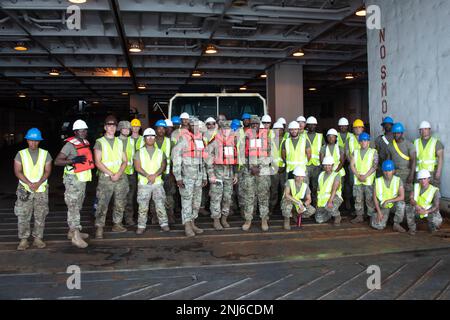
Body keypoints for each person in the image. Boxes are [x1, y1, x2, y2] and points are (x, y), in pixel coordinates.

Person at [54, 120, 94, 248]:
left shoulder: (85, 143)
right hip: (72, 180)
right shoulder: (69, 145)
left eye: (85, 130)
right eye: (81, 130)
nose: (84, 132)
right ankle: (75, 236)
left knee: (78, 206)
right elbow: (57, 161)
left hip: (81, 180)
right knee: (73, 207)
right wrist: (72, 160)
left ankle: (72, 232)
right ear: (75, 132)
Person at [14, 128, 52, 251]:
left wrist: (38, 182)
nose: (33, 143)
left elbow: (47, 171)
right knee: (23, 214)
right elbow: (17, 171)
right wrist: (29, 183)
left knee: (40, 214)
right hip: (25, 188)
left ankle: (37, 238)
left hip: (40, 188)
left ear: (39, 141)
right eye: (31, 140)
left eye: (36, 141)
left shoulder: (45, 154)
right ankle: (24, 239)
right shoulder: (21, 154)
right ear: (27, 140)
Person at [93, 115, 129, 239]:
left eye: (114, 125)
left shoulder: (120, 142)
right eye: (109, 125)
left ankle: (117, 224)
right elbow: (97, 162)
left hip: (120, 177)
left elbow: (125, 160)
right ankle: (99, 227)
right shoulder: (100, 142)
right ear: (105, 127)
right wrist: (111, 174)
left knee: (120, 202)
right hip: (106, 178)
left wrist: (118, 174)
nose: (111, 127)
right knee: (102, 203)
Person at [172, 117, 208, 237]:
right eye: (193, 125)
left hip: (198, 177)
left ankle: (193, 223)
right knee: (187, 202)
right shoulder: (183, 139)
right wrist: (178, 177)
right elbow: (176, 158)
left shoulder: (200, 139)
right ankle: (187, 225)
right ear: (189, 126)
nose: (195, 127)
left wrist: (204, 176)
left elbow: (202, 160)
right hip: (186, 177)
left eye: (197, 125)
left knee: (196, 202)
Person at [241, 116, 273, 232]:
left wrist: (260, 166)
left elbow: (270, 155)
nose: (254, 125)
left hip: (262, 171)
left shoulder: (266, 138)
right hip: (249, 172)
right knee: (249, 196)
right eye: (252, 123)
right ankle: (248, 220)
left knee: (263, 196)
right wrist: (251, 167)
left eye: (256, 123)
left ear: (259, 125)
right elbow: (242, 154)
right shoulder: (246, 137)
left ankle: (264, 219)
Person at [134, 128, 169, 234]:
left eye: (152, 136)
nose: (150, 138)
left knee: (160, 205)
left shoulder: (160, 152)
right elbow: (137, 167)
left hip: (157, 183)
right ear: (144, 139)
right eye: (147, 136)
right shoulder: (139, 152)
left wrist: (155, 175)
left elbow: (163, 166)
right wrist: (148, 176)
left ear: (155, 138)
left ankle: (164, 224)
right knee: (143, 207)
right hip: (144, 183)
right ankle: (141, 225)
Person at [205, 120, 238, 230]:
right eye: (224, 129)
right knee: (216, 197)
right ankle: (216, 220)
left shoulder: (233, 141)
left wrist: (236, 174)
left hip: (229, 174)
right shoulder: (214, 142)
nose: (226, 131)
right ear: (220, 130)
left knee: (228, 198)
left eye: (228, 129)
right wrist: (211, 175)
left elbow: (235, 159)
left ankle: (224, 218)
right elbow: (208, 159)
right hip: (217, 174)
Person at [387, 122, 416, 230]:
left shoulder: (409, 144)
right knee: (396, 197)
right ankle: (397, 220)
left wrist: (411, 174)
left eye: (398, 133)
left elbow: (413, 161)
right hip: (395, 175)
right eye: (394, 133)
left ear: (402, 133)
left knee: (408, 198)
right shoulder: (390, 145)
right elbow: (389, 161)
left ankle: (410, 222)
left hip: (407, 173)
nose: (396, 135)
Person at [350, 132, 377, 224]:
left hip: (368, 180)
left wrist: (365, 176)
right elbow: (352, 165)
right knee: (358, 199)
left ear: (368, 141)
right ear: (359, 142)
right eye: (361, 141)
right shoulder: (355, 151)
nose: (363, 142)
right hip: (358, 180)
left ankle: (371, 216)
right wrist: (358, 176)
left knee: (369, 200)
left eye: (365, 140)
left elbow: (375, 166)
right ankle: (359, 216)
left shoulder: (373, 152)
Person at [372, 160, 405, 231]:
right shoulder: (377, 181)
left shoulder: (398, 180)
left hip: (393, 204)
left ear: (393, 171)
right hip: (383, 206)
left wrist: (388, 201)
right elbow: (374, 198)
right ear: (382, 171)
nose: (387, 173)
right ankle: (386, 217)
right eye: (385, 171)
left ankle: (396, 224)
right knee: (379, 226)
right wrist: (379, 212)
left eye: (389, 171)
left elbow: (402, 196)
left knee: (401, 204)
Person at [407, 169, 443, 235]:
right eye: (421, 179)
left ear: (428, 179)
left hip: (428, 210)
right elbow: (411, 198)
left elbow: (436, 206)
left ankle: (433, 227)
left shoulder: (435, 190)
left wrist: (426, 211)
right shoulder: (415, 187)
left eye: (424, 179)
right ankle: (412, 228)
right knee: (408, 208)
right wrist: (416, 205)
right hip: (417, 209)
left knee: (437, 221)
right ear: (418, 180)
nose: (423, 181)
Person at [154, 120, 175, 224]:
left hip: (167, 174)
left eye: (163, 128)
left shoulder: (170, 142)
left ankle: (170, 216)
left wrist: (172, 173)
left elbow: (174, 159)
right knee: (155, 196)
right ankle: (155, 217)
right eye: (159, 128)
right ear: (155, 129)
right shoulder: (150, 141)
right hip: (154, 174)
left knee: (169, 196)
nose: (161, 130)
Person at [118, 120, 137, 226]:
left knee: (130, 198)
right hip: (120, 173)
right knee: (119, 197)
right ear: (120, 129)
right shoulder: (116, 141)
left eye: (128, 128)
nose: (126, 130)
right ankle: (118, 220)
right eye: (124, 128)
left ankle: (128, 218)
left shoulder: (131, 141)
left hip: (131, 173)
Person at [414, 121, 444, 187]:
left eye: (425, 129)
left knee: (432, 191)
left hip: (431, 172)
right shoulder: (415, 142)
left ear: (429, 130)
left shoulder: (436, 142)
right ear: (419, 131)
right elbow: (413, 158)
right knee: (419, 191)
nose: (423, 131)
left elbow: (440, 158)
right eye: (421, 129)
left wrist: (438, 172)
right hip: (419, 171)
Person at [315, 156, 343, 226]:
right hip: (323, 199)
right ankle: (329, 214)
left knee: (330, 207)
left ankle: (337, 216)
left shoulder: (336, 175)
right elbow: (318, 190)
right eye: (325, 165)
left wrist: (330, 201)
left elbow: (334, 190)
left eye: (329, 165)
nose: (327, 167)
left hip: (334, 197)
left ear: (332, 165)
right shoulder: (321, 174)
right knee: (318, 219)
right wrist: (317, 203)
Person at [306, 116, 324, 205]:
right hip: (306, 165)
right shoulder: (302, 136)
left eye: (313, 125)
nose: (312, 126)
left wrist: (323, 163)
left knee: (315, 186)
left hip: (317, 165)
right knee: (305, 186)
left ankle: (315, 204)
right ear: (307, 125)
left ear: (316, 125)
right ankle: (306, 205)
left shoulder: (320, 136)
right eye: (310, 124)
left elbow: (324, 150)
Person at [269, 121, 287, 212]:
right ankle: (272, 208)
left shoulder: (286, 141)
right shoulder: (270, 141)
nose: (278, 131)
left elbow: (289, 155)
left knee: (284, 190)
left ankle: (284, 209)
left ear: (283, 130)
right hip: (273, 169)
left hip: (283, 170)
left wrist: (283, 166)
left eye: (280, 129)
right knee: (274, 190)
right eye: (276, 129)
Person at [337, 117, 354, 210]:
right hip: (339, 162)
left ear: (347, 126)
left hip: (349, 162)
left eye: (345, 126)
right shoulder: (335, 135)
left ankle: (348, 200)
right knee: (339, 182)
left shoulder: (351, 136)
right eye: (341, 126)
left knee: (349, 182)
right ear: (339, 127)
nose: (343, 127)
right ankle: (340, 201)